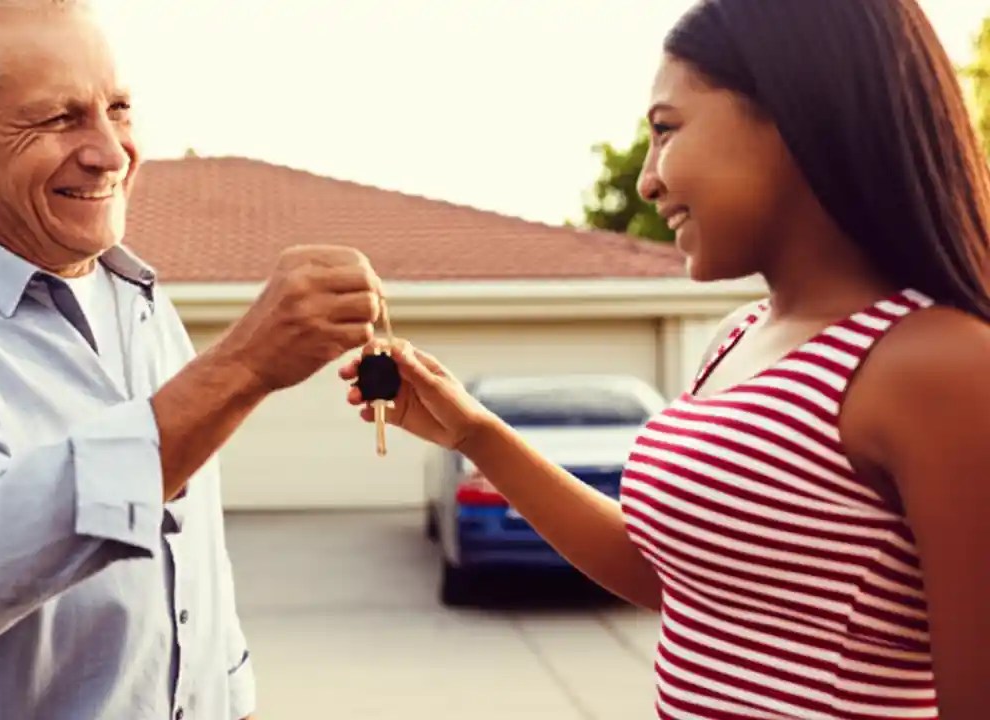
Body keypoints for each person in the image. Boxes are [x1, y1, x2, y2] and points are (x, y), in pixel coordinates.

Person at [345, 0, 990, 717]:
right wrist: (475, 433)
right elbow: (673, 579)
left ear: (793, 109)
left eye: (665, 130)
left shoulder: (942, 366)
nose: (649, 180)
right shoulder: (736, 340)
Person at [0, 1, 383, 719]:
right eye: (58, 119)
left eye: (118, 108)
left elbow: (193, 566)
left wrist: (232, 698)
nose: (111, 152)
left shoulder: (141, 303)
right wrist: (242, 368)